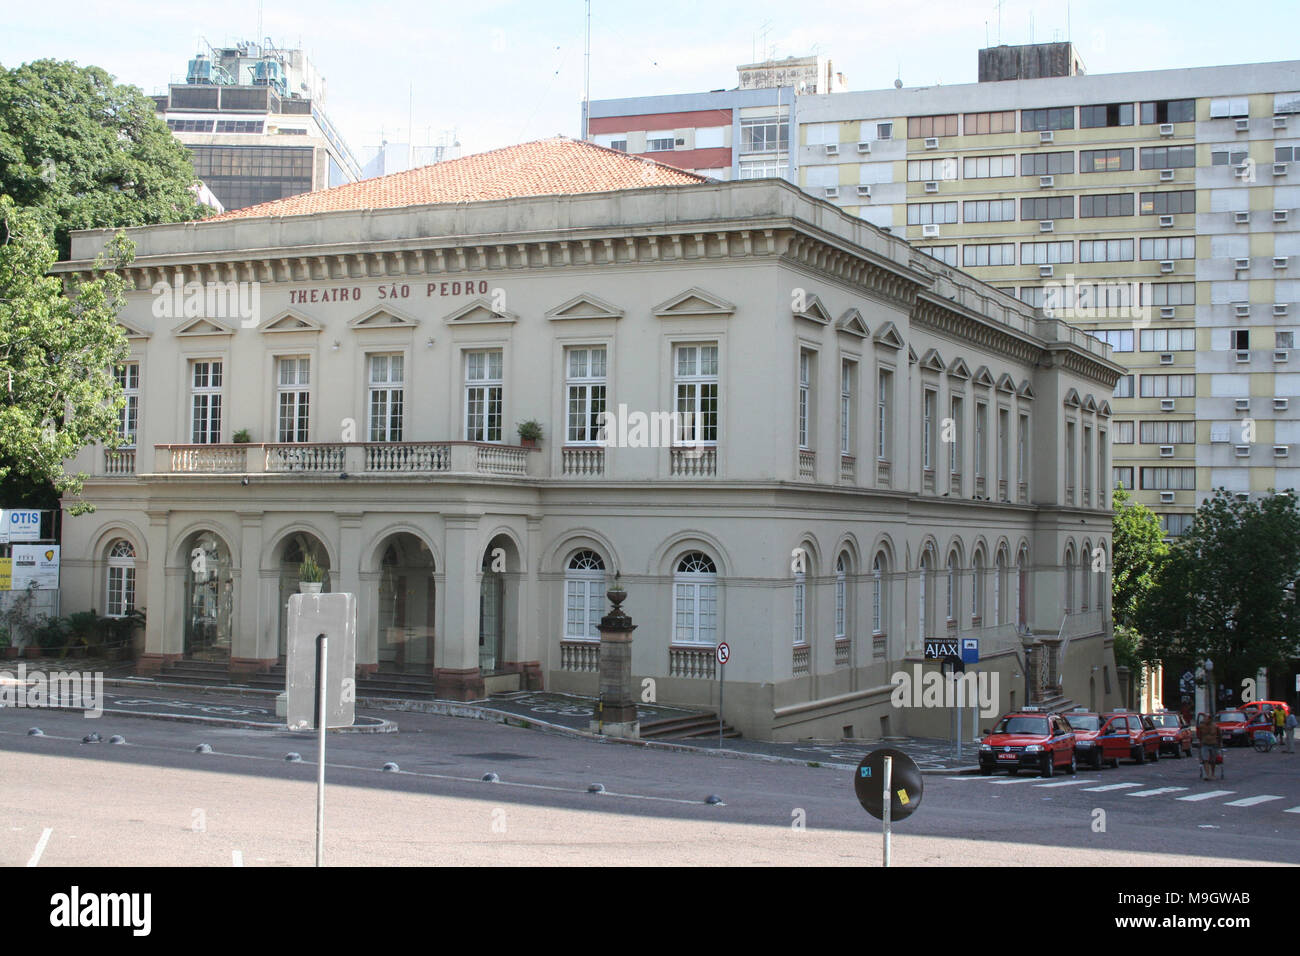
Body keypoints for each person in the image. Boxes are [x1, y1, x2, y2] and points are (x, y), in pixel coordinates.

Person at [1198, 713, 1222, 781]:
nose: (1204, 719)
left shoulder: (1215, 726)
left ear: (1210, 719)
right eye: (1204, 718)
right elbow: (1199, 735)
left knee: (1213, 760)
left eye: (1206, 718)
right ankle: (1207, 774)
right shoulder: (1201, 726)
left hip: (1213, 744)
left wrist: (1219, 744)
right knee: (1205, 760)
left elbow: (1219, 736)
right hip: (1205, 744)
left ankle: (1212, 774)